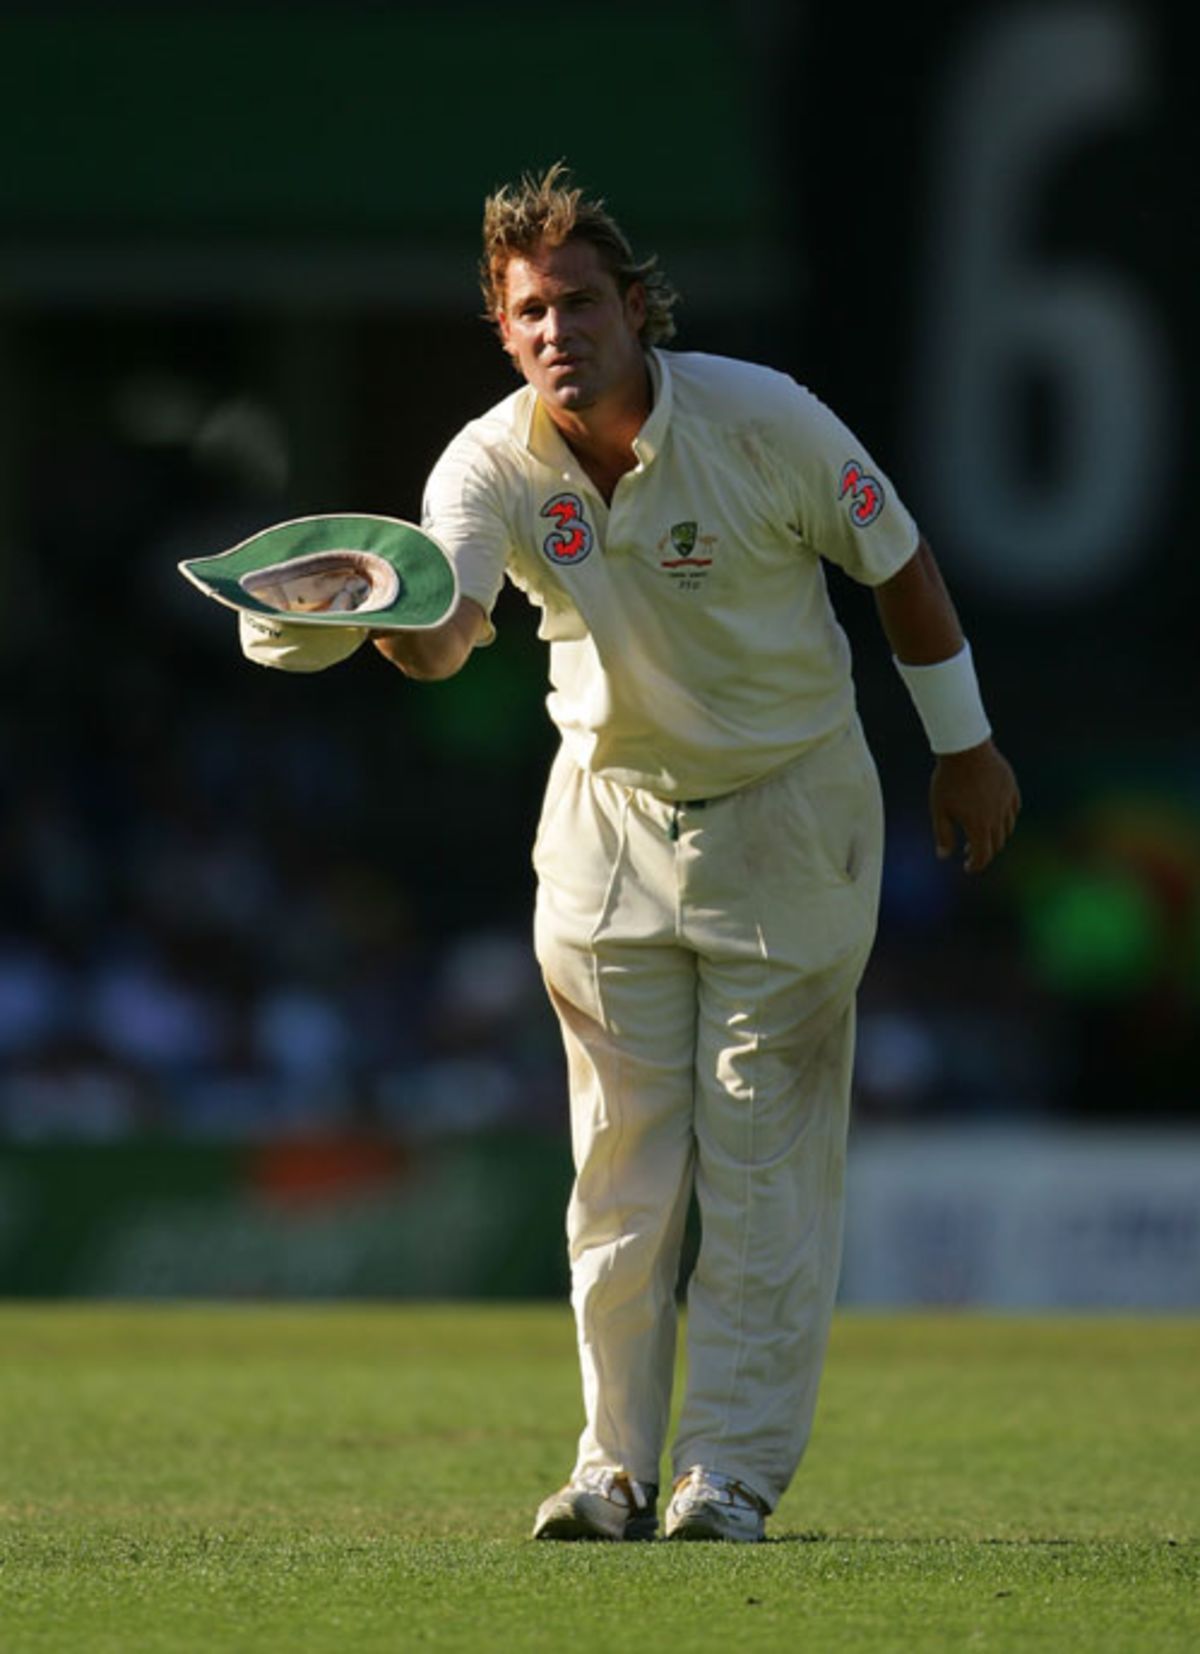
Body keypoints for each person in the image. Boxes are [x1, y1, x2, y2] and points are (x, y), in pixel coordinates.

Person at [240, 164, 1020, 1542]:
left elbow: (897, 559)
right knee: (620, 1163)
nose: (558, 332)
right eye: (530, 312)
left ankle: (728, 1472)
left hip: (790, 804)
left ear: (638, 307)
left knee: (758, 1155)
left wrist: (964, 746)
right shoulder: (487, 464)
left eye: (582, 302)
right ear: (503, 328)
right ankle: (610, 1466)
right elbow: (448, 628)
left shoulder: (762, 419)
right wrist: (363, 617)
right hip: (607, 812)